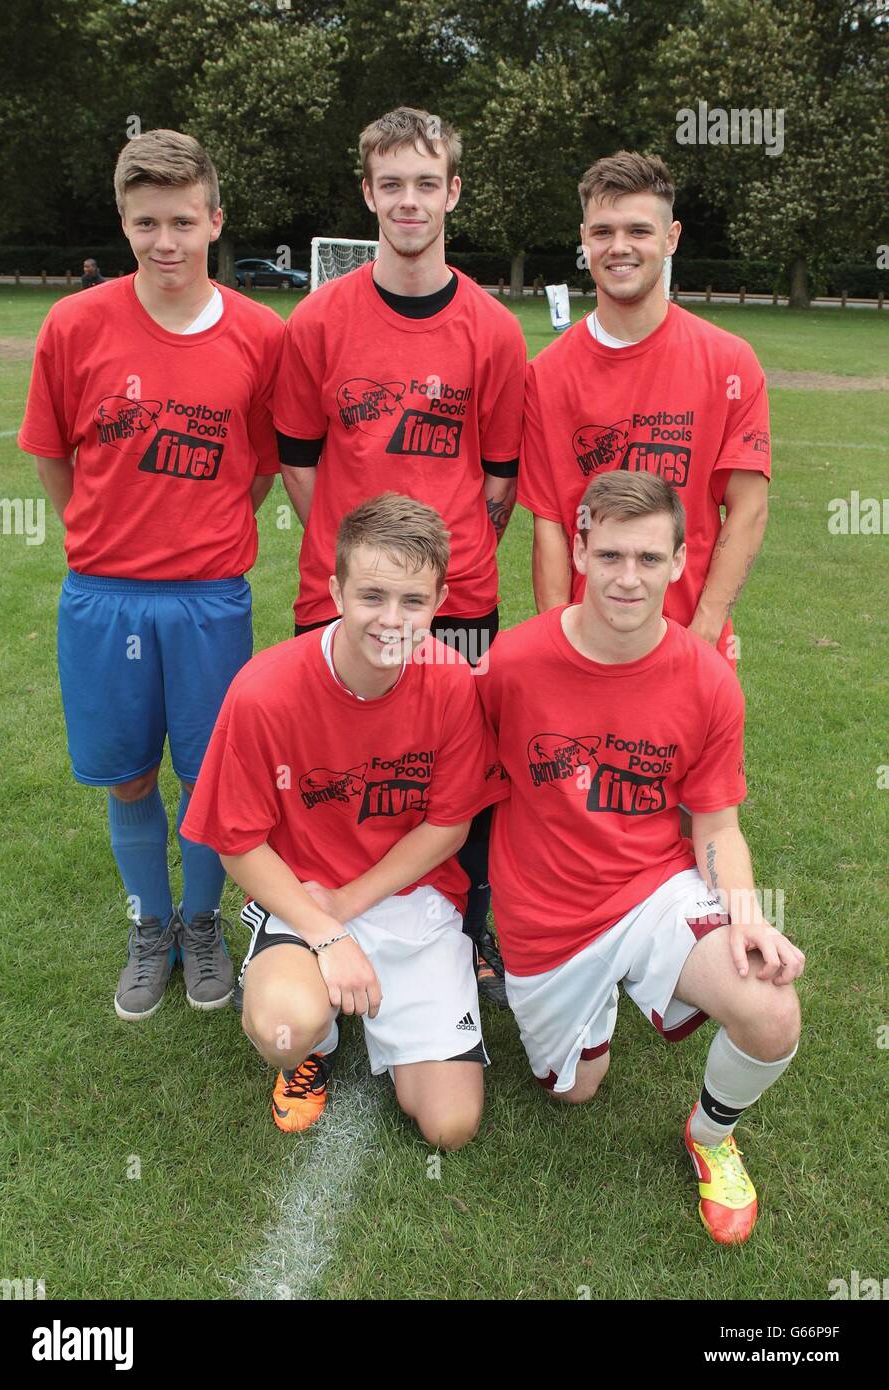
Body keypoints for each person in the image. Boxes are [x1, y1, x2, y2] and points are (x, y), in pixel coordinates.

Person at [477, 472, 804, 1244]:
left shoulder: (707, 680)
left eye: (649, 558)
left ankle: (710, 1136)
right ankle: (595, 1006)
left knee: (770, 1010)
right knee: (574, 1092)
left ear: (680, 562)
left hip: (653, 888)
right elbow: (462, 788)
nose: (628, 577)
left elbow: (715, 825)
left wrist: (745, 915)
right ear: (579, 552)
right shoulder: (512, 665)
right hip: (546, 916)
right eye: (611, 555)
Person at [19, 129, 285, 1021]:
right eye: (145, 223)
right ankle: (149, 924)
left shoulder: (260, 334)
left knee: (208, 779)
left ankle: (201, 923)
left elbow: (256, 469)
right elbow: (53, 454)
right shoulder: (74, 324)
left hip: (209, 598)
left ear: (214, 220)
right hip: (105, 597)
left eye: (181, 221)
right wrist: (104, 536)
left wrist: (196, 536)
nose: (164, 241)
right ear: (124, 223)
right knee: (129, 775)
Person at [275, 106, 526, 1005]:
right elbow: (299, 462)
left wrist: (441, 568)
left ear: (452, 192)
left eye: (426, 183)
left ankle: (472, 928)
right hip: (338, 598)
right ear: (368, 193)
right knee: (335, 772)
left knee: (464, 778)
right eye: (392, 184)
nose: (409, 201)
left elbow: (499, 479)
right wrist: (358, 568)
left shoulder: (493, 329)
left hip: (457, 603)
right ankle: (318, 924)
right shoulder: (318, 320)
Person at [182, 494, 508, 1145]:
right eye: (371, 596)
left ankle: (394, 1004)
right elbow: (237, 843)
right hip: (302, 896)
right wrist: (328, 933)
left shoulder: (450, 683)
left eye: (412, 601)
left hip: (410, 898)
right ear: (334, 591)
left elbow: (448, 825)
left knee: (450, 1126)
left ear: (440, 601)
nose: (391, 620)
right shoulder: (264, 691)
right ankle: (317, 1044)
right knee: (284, 1029)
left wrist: (348, 906)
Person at [520, 151, 771, 670]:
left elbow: (747, 509)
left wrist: (701, 636)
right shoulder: (546, 374)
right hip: (586, 647)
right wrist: (559, 644)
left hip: (692, 647)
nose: (619, 247)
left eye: (638, 230)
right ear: (584, 239)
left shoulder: (729, 362)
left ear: (671, 237)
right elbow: (550, 525)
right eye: (603, 232)